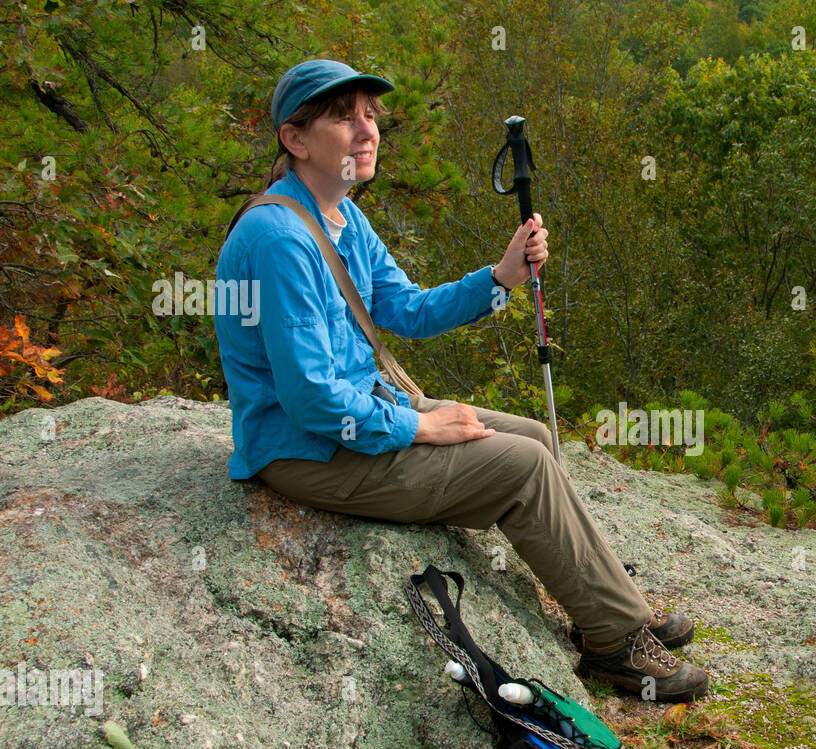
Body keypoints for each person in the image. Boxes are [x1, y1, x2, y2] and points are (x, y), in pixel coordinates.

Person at [213, 59, 708, 702]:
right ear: (295, 139)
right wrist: (418, 425)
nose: (366, 131)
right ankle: (616, 647)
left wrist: (499, 277)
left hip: (360, 413)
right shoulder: (280, 238)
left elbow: (405, 310)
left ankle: (601, 599)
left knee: (533, 436)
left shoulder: (341, 217)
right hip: (308, 449)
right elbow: (310, 399)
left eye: (370, 115)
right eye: (344, 116)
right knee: (524, 466)